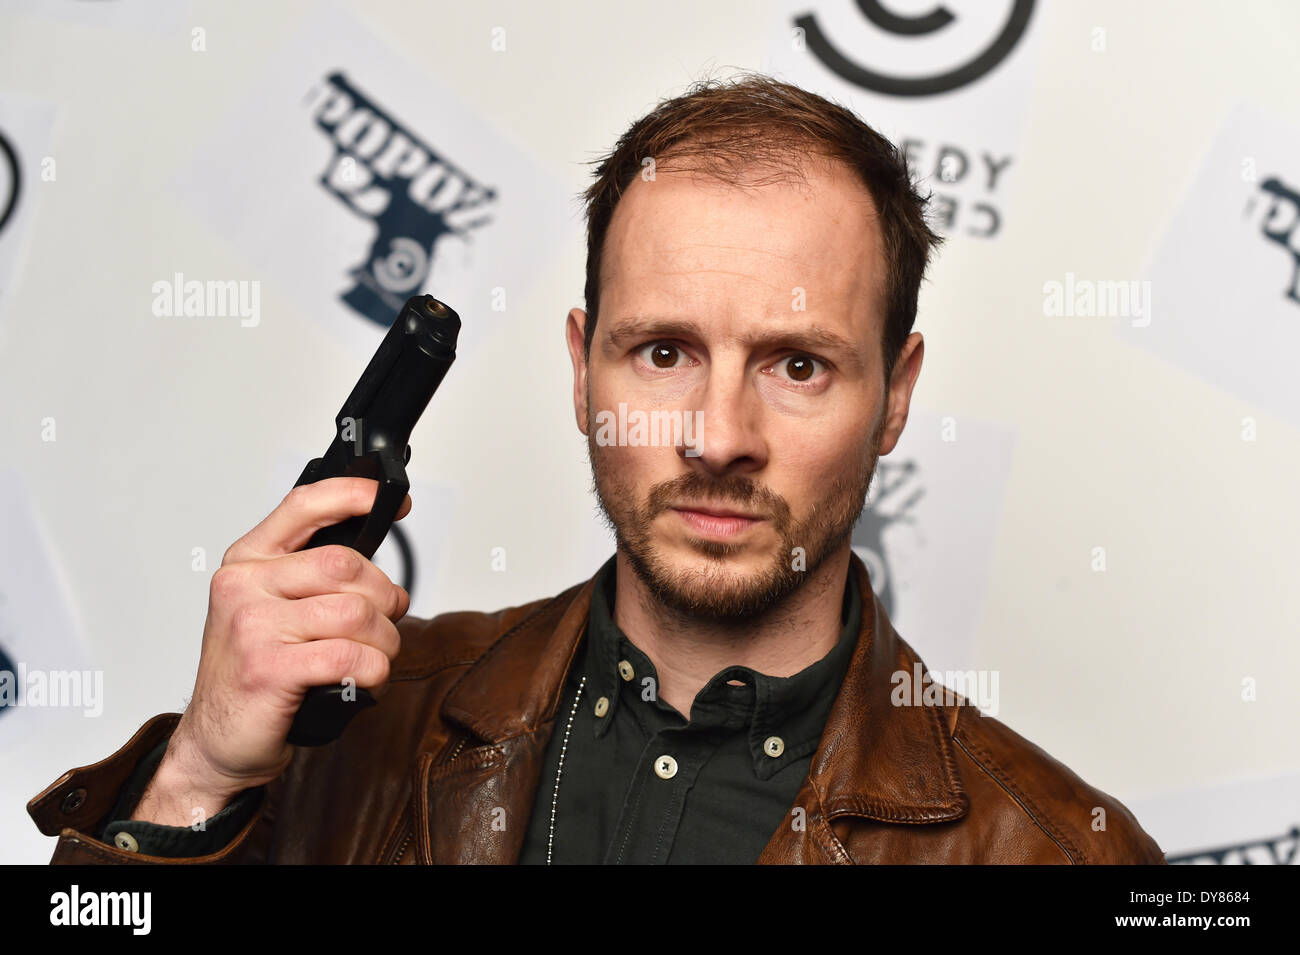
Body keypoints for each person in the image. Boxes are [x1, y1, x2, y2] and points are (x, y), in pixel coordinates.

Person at [28, 72, 1166, 864]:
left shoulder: (1057, 853)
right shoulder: (342, 731)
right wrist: (196, 778)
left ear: (896, 394)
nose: (718, 435)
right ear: (584, 369)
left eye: (798, 365)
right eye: (663, 352)